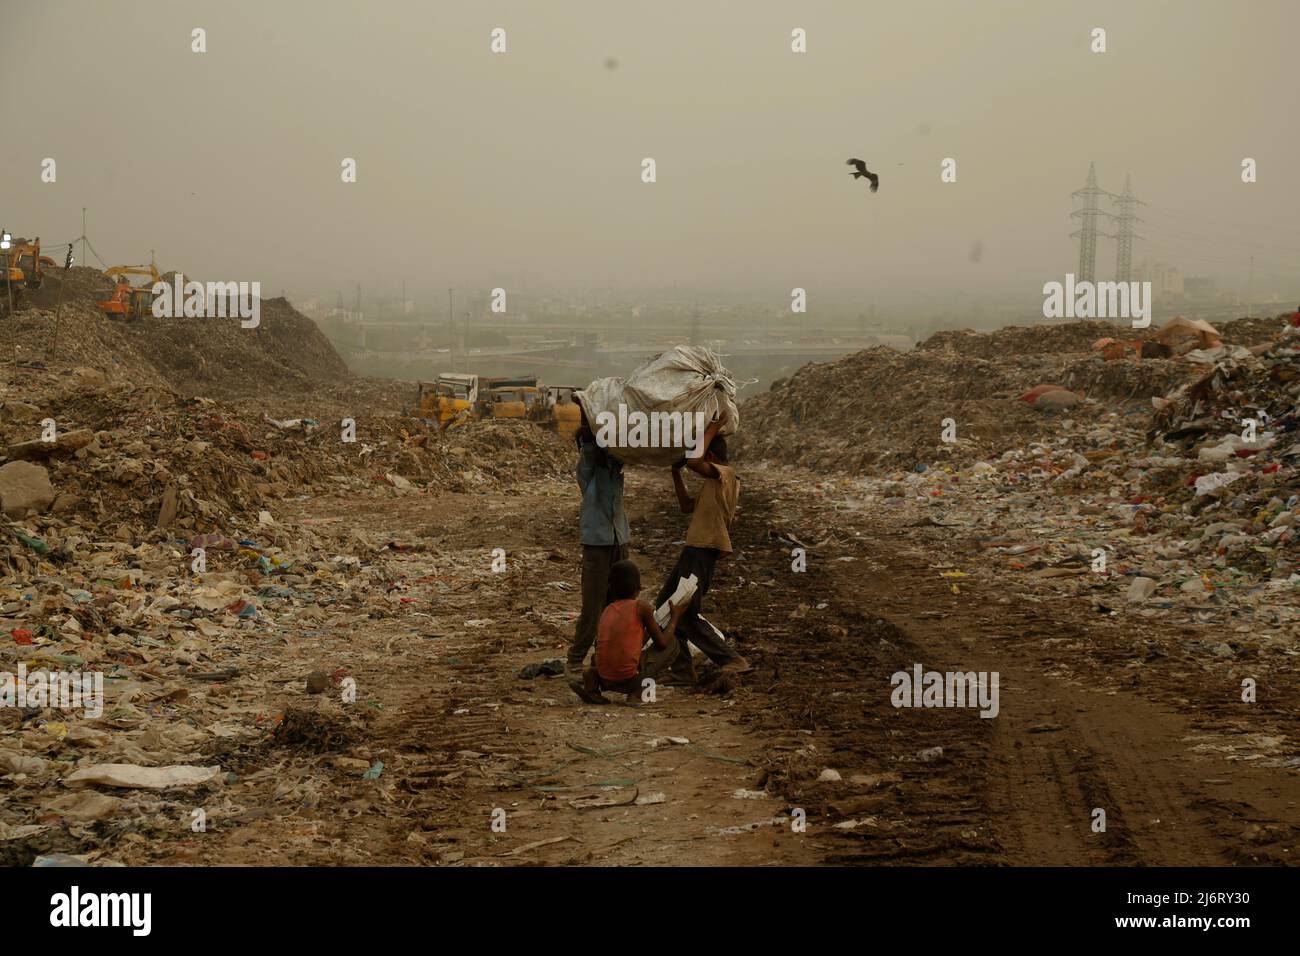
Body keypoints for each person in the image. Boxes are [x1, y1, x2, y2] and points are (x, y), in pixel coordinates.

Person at [654, 410, 751, 683]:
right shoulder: (713, 484)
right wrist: (675, 473)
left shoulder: (726, 475)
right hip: (694, 549)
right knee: (666, 604)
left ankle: (732, 659)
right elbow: (686, 506)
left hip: (703, 550)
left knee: (685, 611)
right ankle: (683, 670)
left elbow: (695, 461)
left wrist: (713, 426)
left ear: (711, 457)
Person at [566, 407, 632, 702]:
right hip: (596, 541)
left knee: (618, 606)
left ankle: (604, 659)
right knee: (593, 606)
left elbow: (627, 450)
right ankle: (575, 659)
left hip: (619, 538)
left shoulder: (616, 468)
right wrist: (585, 414)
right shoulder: (588, 470)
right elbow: (591, 449)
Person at [582, 559, 688, 705]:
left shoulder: (607, 610)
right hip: (628, 681)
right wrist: (675, 617)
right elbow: (662, 643)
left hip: (605, 678)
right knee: (673, 644)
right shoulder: (641, 607)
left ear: (611, 588)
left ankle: (592, 687)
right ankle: (638, 694)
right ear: (639, 588)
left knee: (593, 668)